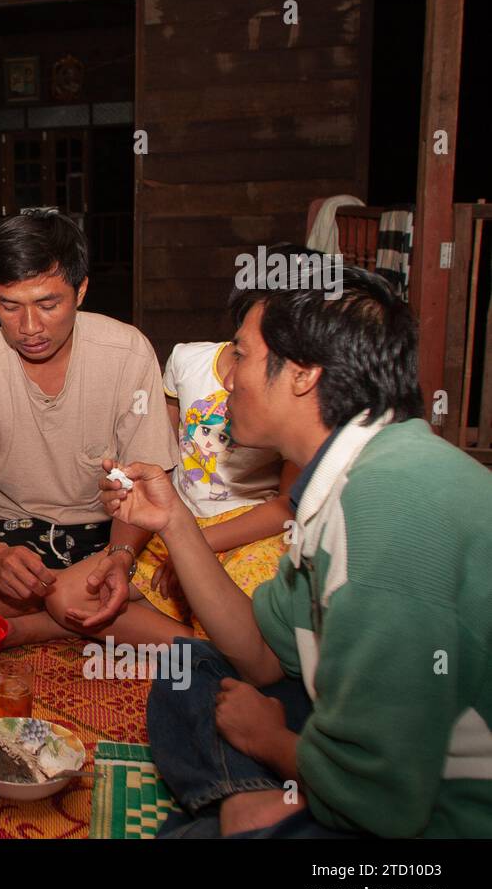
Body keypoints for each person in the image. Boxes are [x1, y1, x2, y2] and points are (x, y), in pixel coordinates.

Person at [100, 267, 492, 837]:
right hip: (360, 764)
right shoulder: (348, 475)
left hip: (432, 824)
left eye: (242, 355)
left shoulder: (386, 511)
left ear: (304, 374)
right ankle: (252, 803)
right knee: (189, 669)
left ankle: (242, 804)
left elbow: (381, 800)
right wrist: (174, 523)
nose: (227, 378)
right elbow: (260, 656)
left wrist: (271, 741)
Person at [0, 211, 178, 644]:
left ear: (81, 290)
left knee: (75, 591)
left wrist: (120, 557)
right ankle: (67, 613)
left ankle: (27, 621)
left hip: (108, 536)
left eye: (48, 305)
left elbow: (145, 488)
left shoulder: (127, 353)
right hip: (12, 540)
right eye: (9, 306)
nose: (29, 328)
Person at [127, 334, 298, 637]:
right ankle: (212, 645)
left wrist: (192, 548)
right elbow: (162, 452)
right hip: (178, 519)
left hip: (248, 531)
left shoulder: (292, 390)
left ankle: (216, 648)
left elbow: (288, 506)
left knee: (243, 626)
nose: (230, 383)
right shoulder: (187, 360)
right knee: (83, 598)